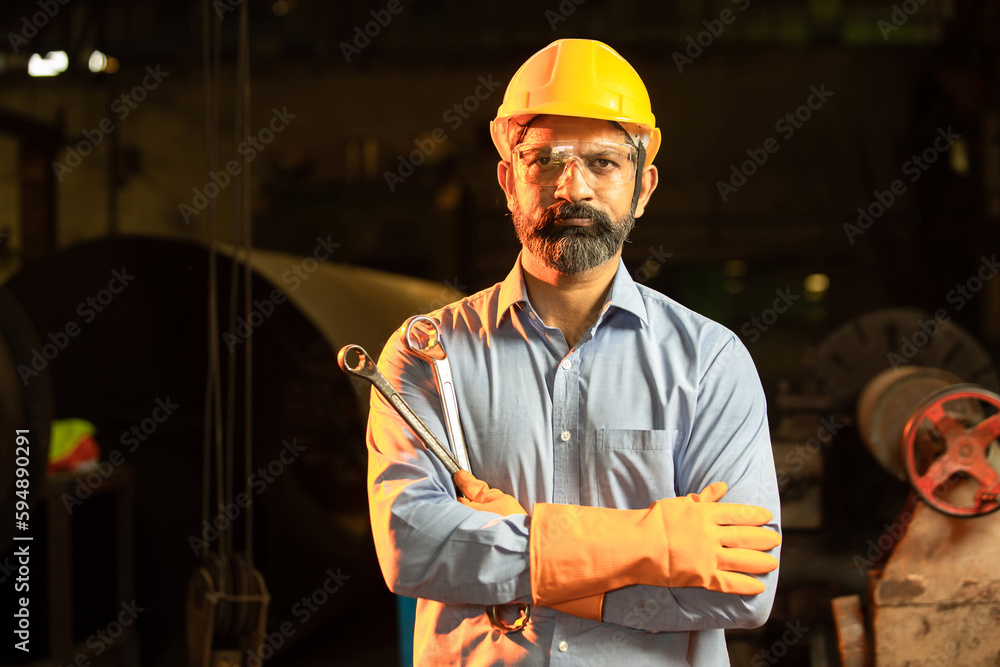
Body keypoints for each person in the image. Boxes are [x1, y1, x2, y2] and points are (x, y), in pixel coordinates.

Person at [366, 38, 782, 666]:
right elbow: (412, 549)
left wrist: (523, 558)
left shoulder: (711, 363)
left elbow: (745, 591)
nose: (574, 187)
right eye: (546, 161)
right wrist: (655, 543)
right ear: (510, 181)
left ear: (643, 187)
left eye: (605, 163)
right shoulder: (427, 355)